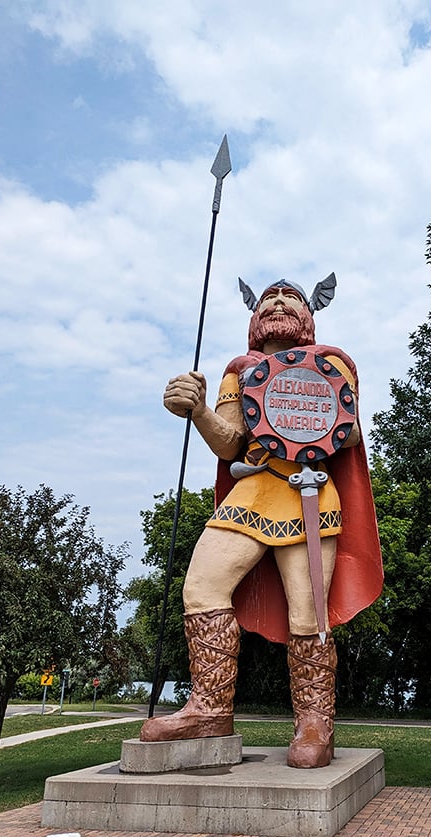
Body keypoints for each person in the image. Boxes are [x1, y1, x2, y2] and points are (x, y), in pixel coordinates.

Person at [140, 275, 383, 767]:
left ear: (308, 313)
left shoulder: (331, 363)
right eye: (269, 296)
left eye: (289, 296)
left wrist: (314, 407)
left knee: (308, 616)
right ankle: (210, 708)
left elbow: (351, 432)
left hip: (309, 496)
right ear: (254, 316)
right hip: (252, 491)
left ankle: (315, 723)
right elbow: (231, 442)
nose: (277, 301)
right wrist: (199, 409)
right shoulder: (240, 370)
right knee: (200, 589)